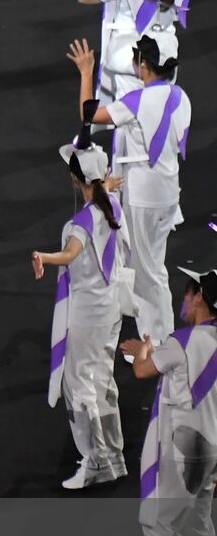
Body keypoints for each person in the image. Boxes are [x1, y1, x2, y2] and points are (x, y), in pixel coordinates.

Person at [66, 35, 190, 354]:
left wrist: (86, 72)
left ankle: (158, 346)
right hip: (168, 192)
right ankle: (151, 333)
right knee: (147, 263)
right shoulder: (181, 96)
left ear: (144, 66)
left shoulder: (138, 100)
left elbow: (89, 114)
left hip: (144, 197)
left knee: (149, 270)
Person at [120, 266, 217, 536]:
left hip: (183, 450)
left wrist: (143, 349)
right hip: (211, 451)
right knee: (197, 525)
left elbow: (143, 370)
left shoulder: (182, 341)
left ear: (200, 299)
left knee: (157, 523)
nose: (183, 299)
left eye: (188, 294)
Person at [30, 120, 127, 489]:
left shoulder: (80, 223)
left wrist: (43, 257)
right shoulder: (111, 203)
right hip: (111, 308)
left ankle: (95, 461)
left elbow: (70, 254)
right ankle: (114, 456)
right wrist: (107, 184)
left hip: (88, 312)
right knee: (102, 380)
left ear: (74, 180)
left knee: (78, 385)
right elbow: (105, 190)